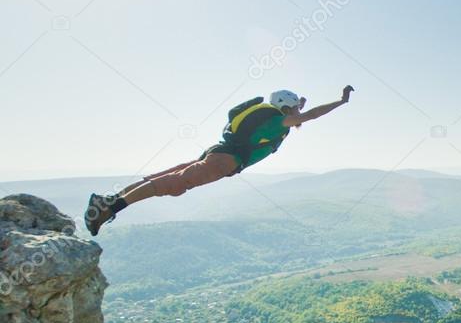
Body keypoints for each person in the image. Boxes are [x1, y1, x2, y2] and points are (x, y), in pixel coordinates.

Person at [84, 86, 354, 235]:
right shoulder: (275, 122)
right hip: (225, 161)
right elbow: (310, 116)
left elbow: (301, 113)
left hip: (218, 152)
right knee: (175, 184)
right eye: (294, 108)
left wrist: (300, 103)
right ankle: (110, 207)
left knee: (167, 178)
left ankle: (108, 202)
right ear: (286, 108)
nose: (298, 113)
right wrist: (340, 102)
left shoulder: (269, 118)